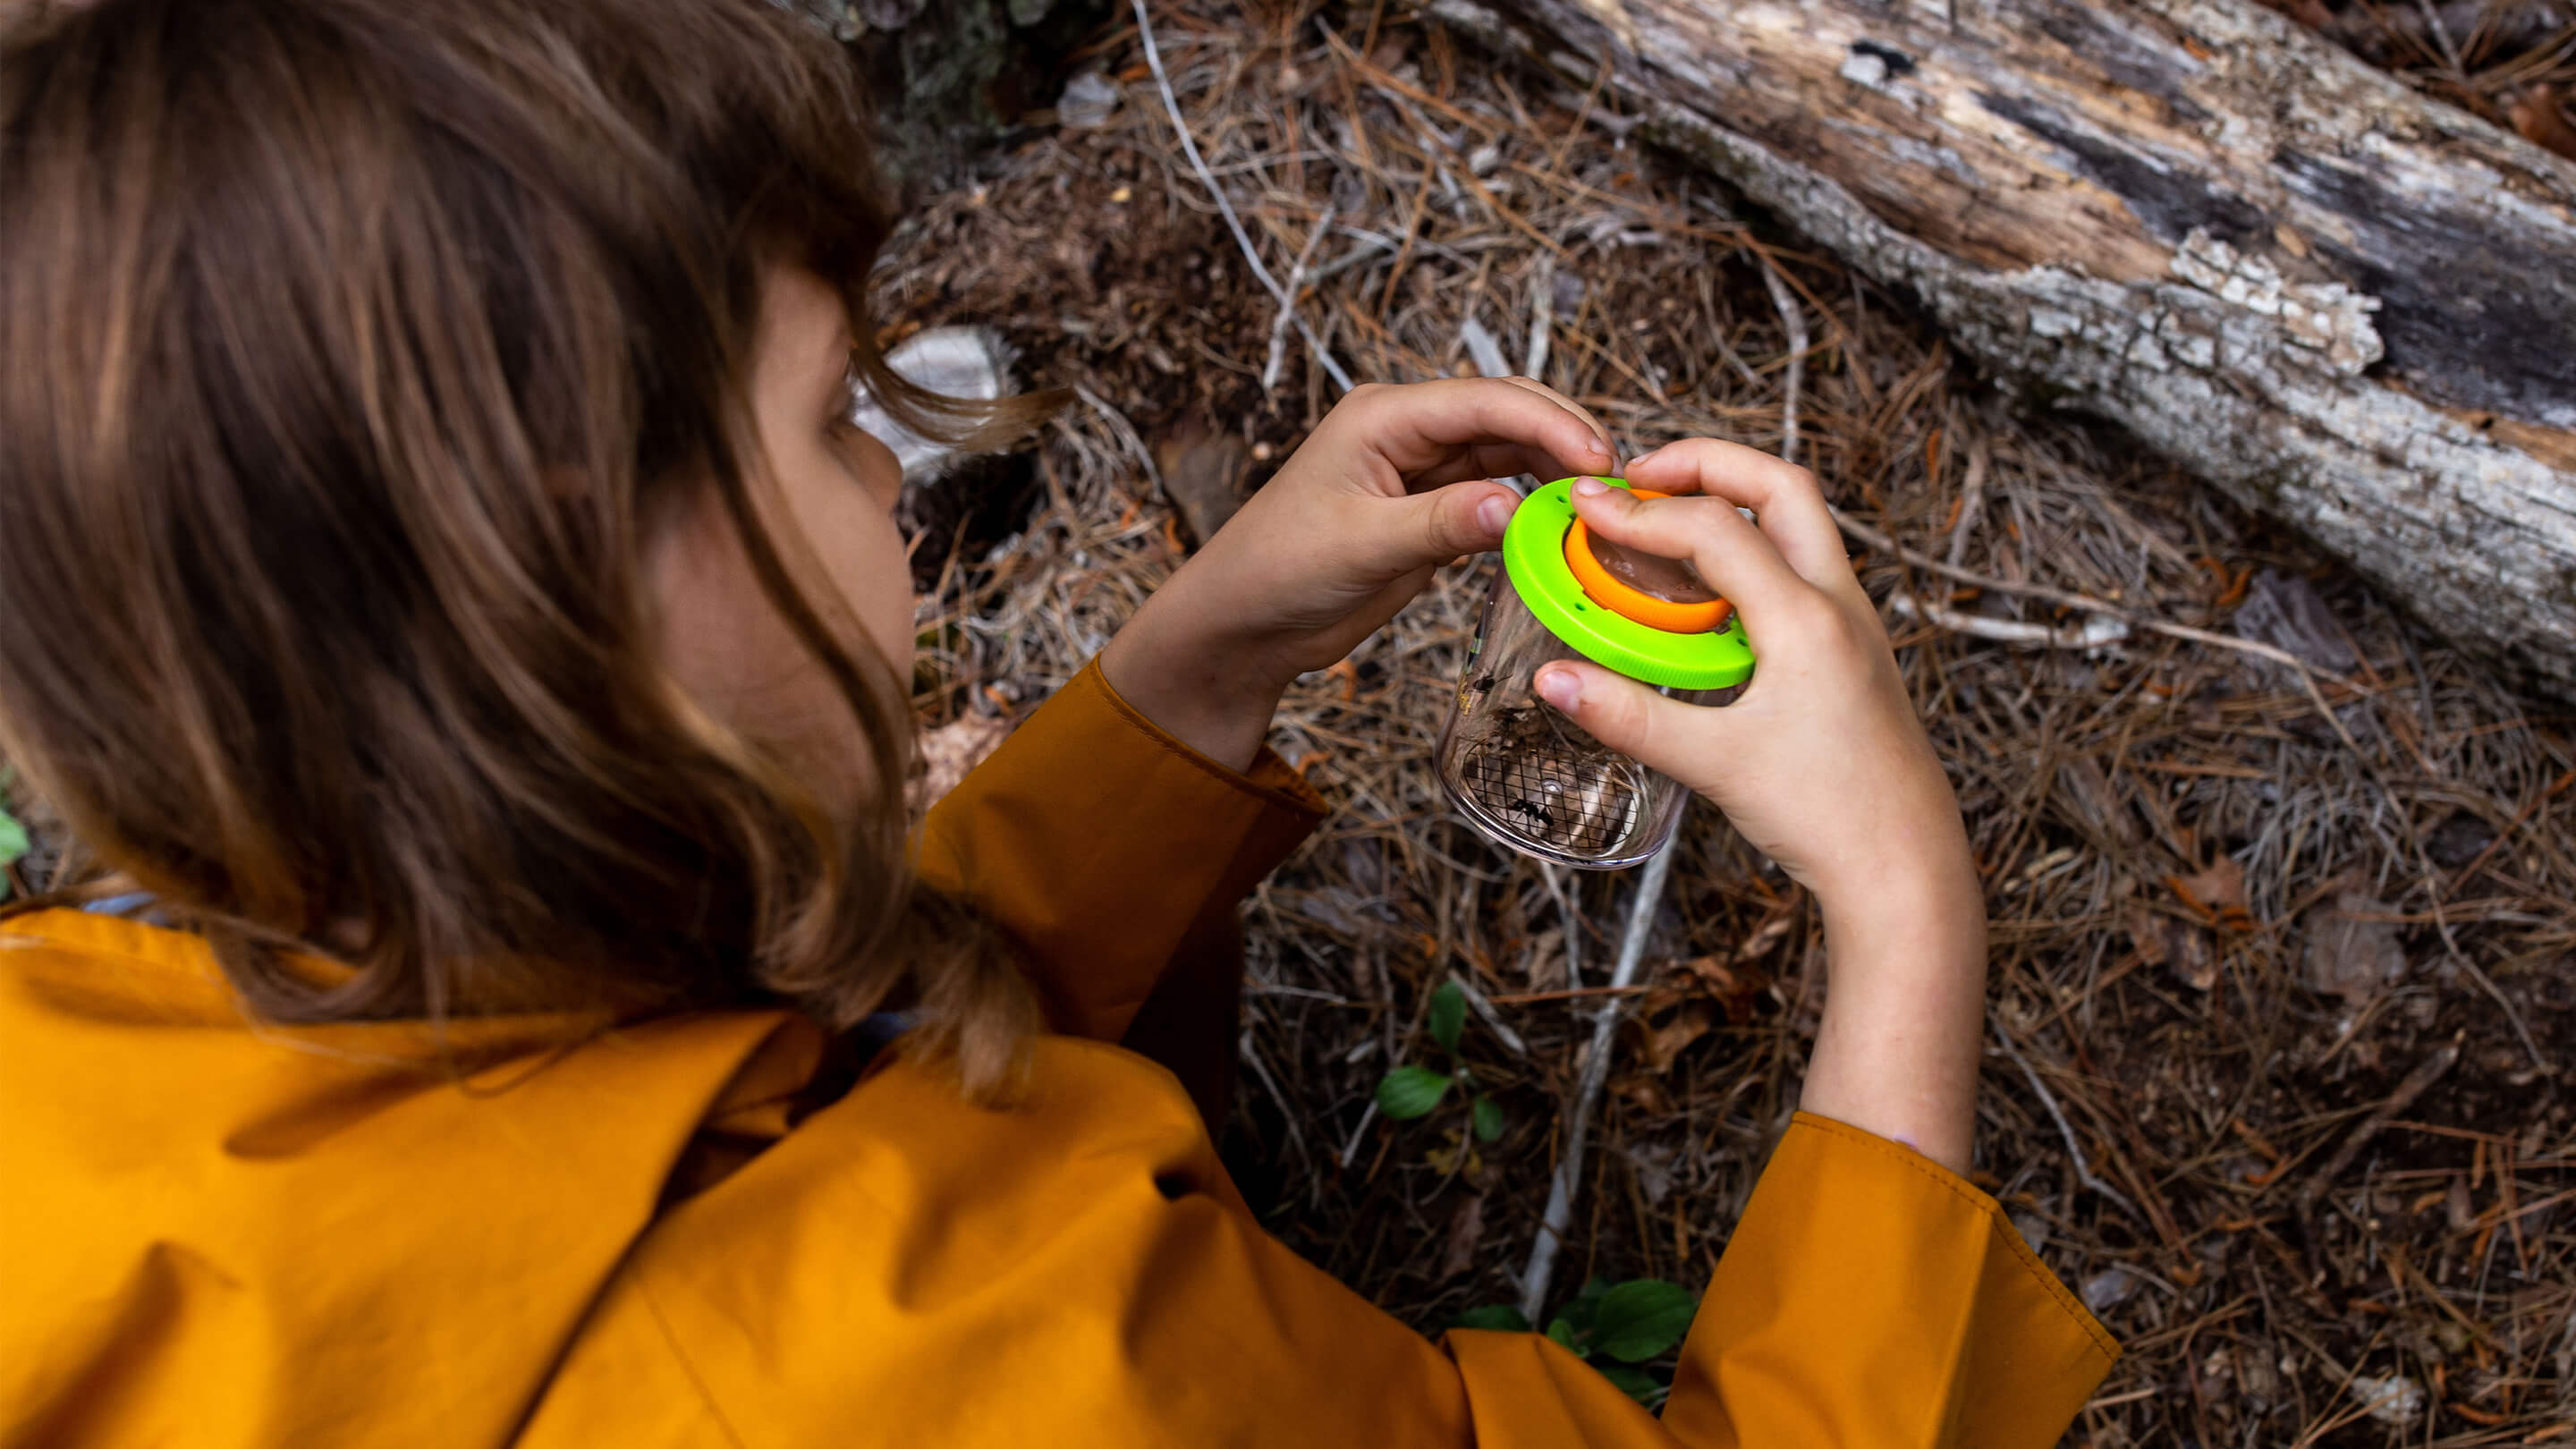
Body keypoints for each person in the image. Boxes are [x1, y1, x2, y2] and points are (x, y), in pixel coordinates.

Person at [0, 0, 2116, 1445]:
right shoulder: (1013, 1391)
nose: (891, 477)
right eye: (832, 417)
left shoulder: (92, 1035)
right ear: (552, 600)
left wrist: (1185, 682)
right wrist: (1901, 909)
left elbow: (711, 1109)